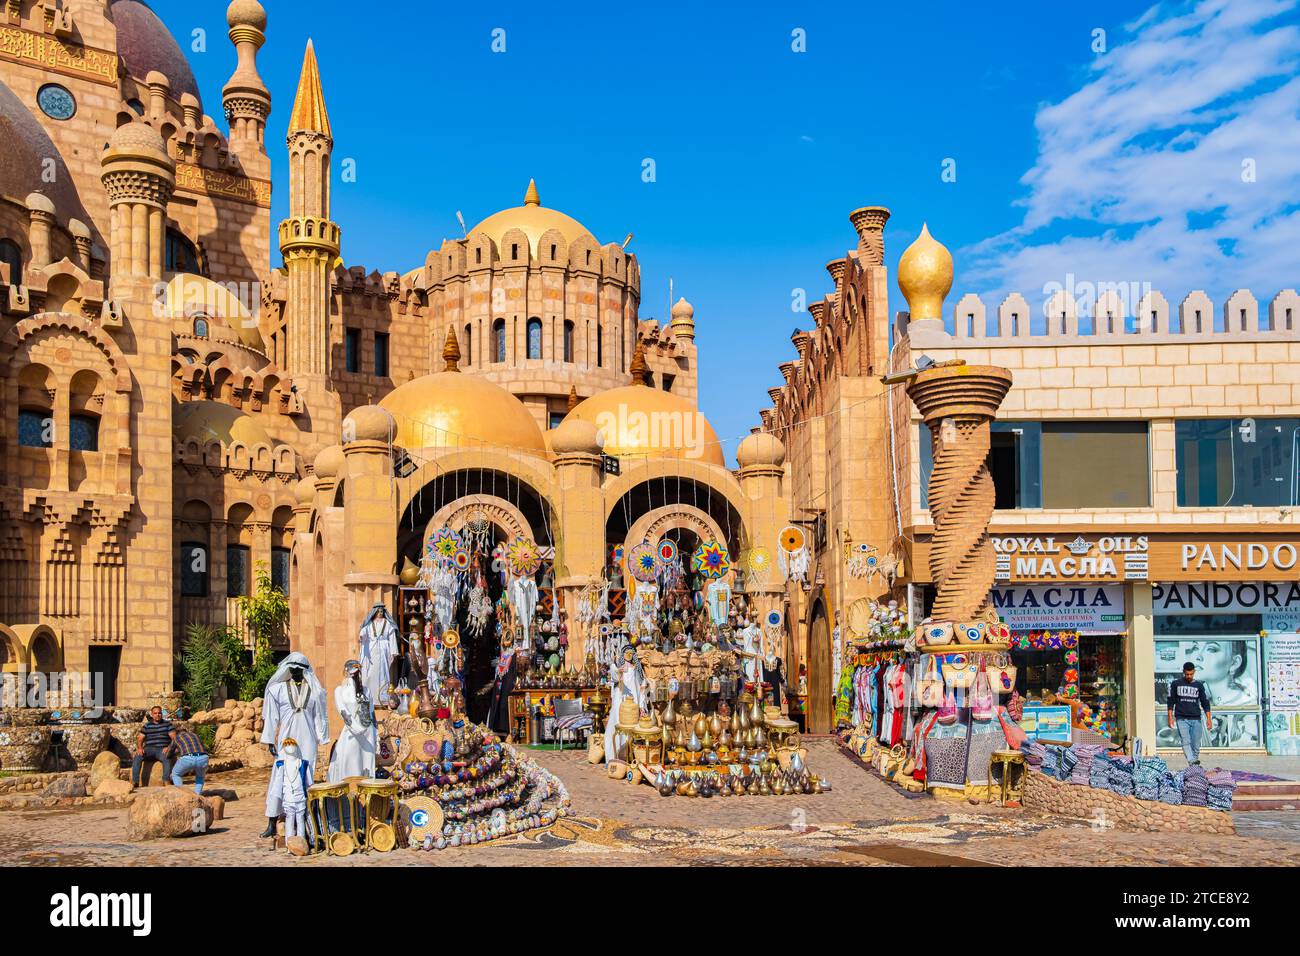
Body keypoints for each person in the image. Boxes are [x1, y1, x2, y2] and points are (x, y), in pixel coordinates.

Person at [260, 652, 329, 838]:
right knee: (279, 777)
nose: (296, 671)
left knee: (306, 777)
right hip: (286, 739)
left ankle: (307, 820)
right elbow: (272, 718)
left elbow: (320, 717)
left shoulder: (315, 691)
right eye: (293, 668)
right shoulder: (278, 690)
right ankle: (272, 821)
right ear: (288, 669)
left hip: (307, 739)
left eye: (300, 669)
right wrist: (269, 740)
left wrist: (322, 738)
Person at [328, 660, 376, 782]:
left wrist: (376, 735)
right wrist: (356, 729)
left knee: (366, 766)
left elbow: (371, 712)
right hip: (351, 733)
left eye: (357, 672)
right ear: (346, 671)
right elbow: (344, 712)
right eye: (353, 671)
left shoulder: (367, 690)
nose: (355, 674)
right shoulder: (340, 691)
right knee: (352, 764)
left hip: (368, 733)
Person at [603, 644, 648, 763]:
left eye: (631, 653)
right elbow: (614, 676)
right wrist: (617, 668)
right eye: (626, 652)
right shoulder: (619, 668)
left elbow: (642, 688)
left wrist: (642, 705)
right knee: (617, 726)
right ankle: (614, 757)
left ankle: (631, 758)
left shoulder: (637, 669)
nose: (629, 655)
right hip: (620, 703)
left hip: (634, 704)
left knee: (632, 730)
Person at [1167, 660, 1213, 766]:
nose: (1189, 676)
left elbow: (1205, 703)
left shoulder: (1199, 685)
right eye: (1187, 674)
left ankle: (1193, 765)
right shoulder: (1176, 684)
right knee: (1185, 741)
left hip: (1196, 718)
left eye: (1191, 674)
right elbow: (1170, 702)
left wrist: (1209, 719)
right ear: (1183, 672)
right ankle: (1191, 761)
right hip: (1181, 718)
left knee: (1196, 745)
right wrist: (1170, 718)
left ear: (1194, 672)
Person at [359, 603, 400, 707]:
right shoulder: (370, 624)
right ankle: (370, 697)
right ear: (374, 613)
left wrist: (393, 651)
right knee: (370, 674)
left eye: (382, 611)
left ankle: (383, 698)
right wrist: (361, 636)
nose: (380, 613)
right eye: (378, 611)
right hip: (372, 650)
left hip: (383, 649)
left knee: (383, 673)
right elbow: (364, 631)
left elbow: (392, 637)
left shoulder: (387, 623)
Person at [273, 738, 312, 844]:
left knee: (300, 819)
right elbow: (278, 782)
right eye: (287, 745)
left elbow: (309, 783)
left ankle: (302, 843)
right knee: (289, 819)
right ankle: (289, 843)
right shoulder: (281, 764)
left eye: (292, 745)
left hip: (300, 796)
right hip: (288, 797)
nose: (290, 747)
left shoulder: (303, 764)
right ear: (284, 748)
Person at [132, 706, 173, 787]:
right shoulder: (147, 726)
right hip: (149, 749)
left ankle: (166, 780)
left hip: (162, 749)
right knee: (138, 756)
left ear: (162, 714)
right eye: (155, 713)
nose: (157, 715)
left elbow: (174, 739)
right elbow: (140, 738)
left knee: (167, 757)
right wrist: (140, 748)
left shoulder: (168, 724)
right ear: (152, 714)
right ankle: (135, 781)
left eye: (159, 713)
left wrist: (169, 747)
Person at [168, 726, 210, 793]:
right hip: (203, 757)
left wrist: (169, 756)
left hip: (188, 758)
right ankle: (197, 796)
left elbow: (169, 752)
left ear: (177, 733)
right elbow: (200, 747)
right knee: (200, 777)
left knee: (175, 774)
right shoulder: (195, 735)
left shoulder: (176, 737)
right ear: (186, 731)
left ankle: (182, 794)